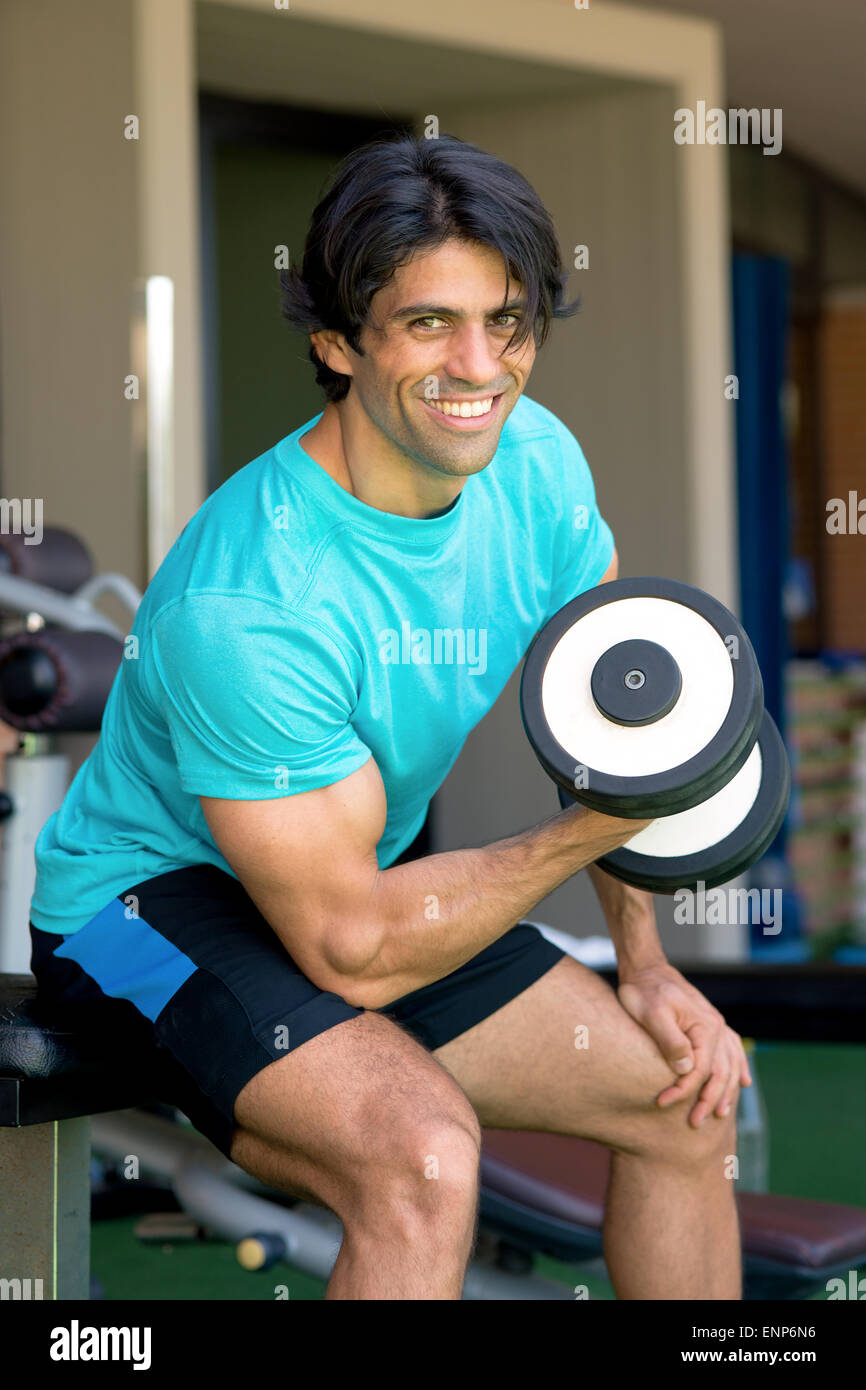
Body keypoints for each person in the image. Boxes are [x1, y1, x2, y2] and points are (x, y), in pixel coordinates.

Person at [29, 132, 749, 1300]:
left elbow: (607, 716)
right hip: (143, 911)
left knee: (683, 1094)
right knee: (420, 1156)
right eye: (427, 324)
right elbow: (350, 948)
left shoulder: (537, 466)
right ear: (335, 342)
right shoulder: (252, 599)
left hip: (342, 869)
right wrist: (598, 826)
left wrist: (645, 963)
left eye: (505, 320)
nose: (480, 366)